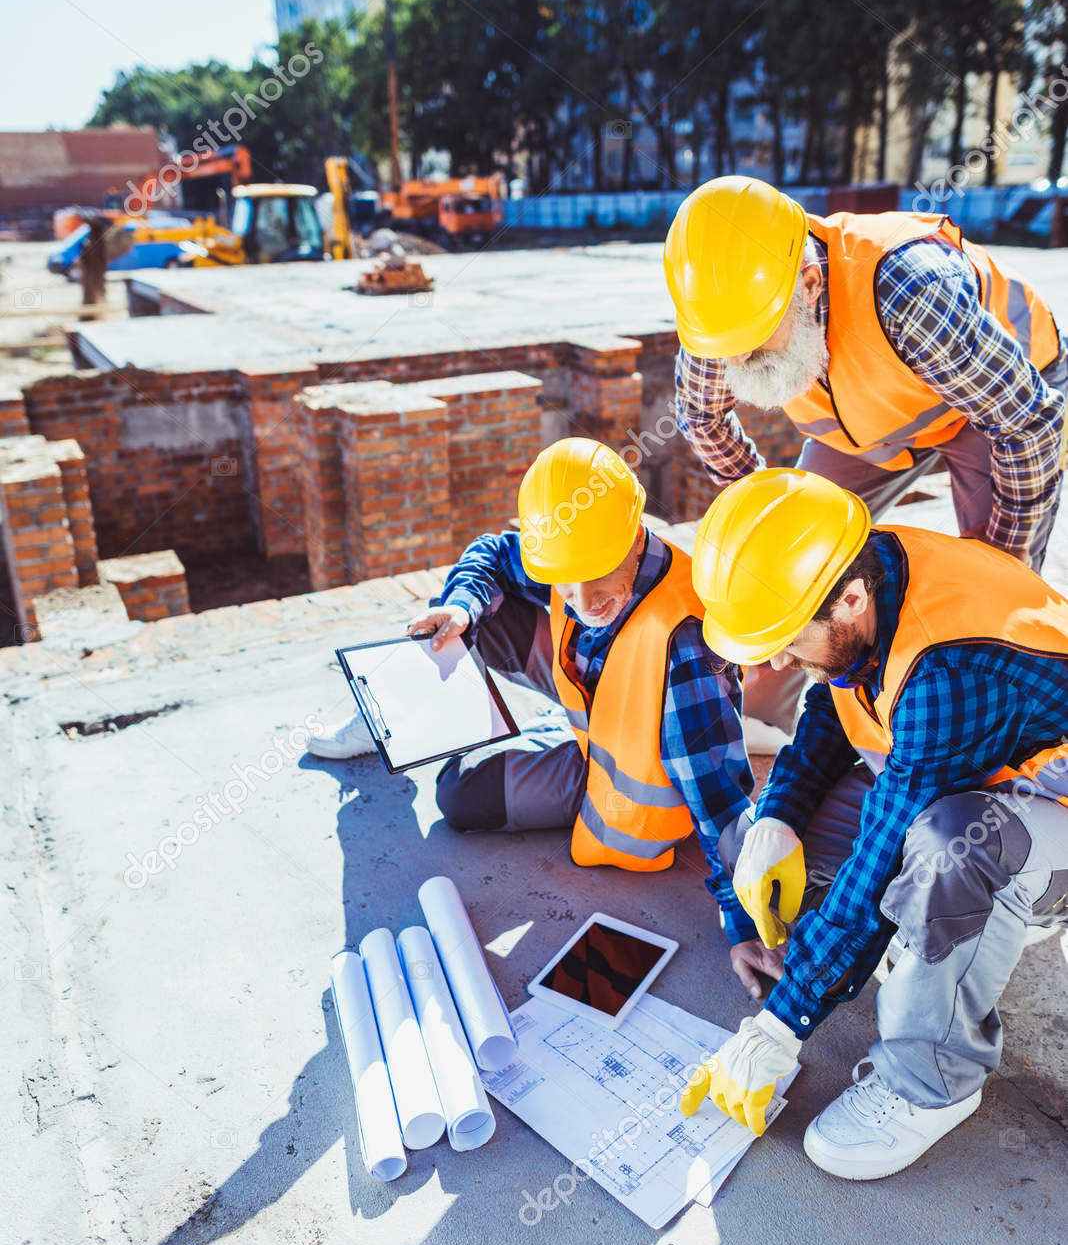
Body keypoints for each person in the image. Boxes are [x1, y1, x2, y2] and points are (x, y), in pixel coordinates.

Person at [678, 467, 1068, 1180]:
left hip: (1050, 815)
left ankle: (933, 1082)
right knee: (816, 838)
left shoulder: (945, 670)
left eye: (782, 638)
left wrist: (782, 1023)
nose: (769, 661)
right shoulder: (854, 570)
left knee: (946, 847)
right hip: (980, 766)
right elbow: (833, 710)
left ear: (851, 600)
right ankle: (879, 954)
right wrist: (781, 817)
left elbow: (886, 850)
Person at [311, 438, 773, 996]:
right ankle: (398, 716)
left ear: (634, 530)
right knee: (472, 618)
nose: (583, 598)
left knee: (458, 796)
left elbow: (719, 794)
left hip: (624, 776)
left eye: (598, 574)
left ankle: (544, 739)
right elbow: (493, 553)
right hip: (590, 702)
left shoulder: (686, 641)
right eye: (565, 580)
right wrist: (460, 605)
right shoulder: (572, 557)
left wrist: (745, 923)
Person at [666, 174, 1067, 726]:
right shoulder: (725, 314)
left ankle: (998, 727)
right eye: (722, 349)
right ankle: (766, 723)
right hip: (870, 419)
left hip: (994, 404)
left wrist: (1002, 568)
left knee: (989, 586)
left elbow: (1029, 425)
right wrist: (762, 512)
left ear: (809, 284)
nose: (735, 363)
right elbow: (700, 414)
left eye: (755, 343)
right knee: (781, 564)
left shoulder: (906, 288)